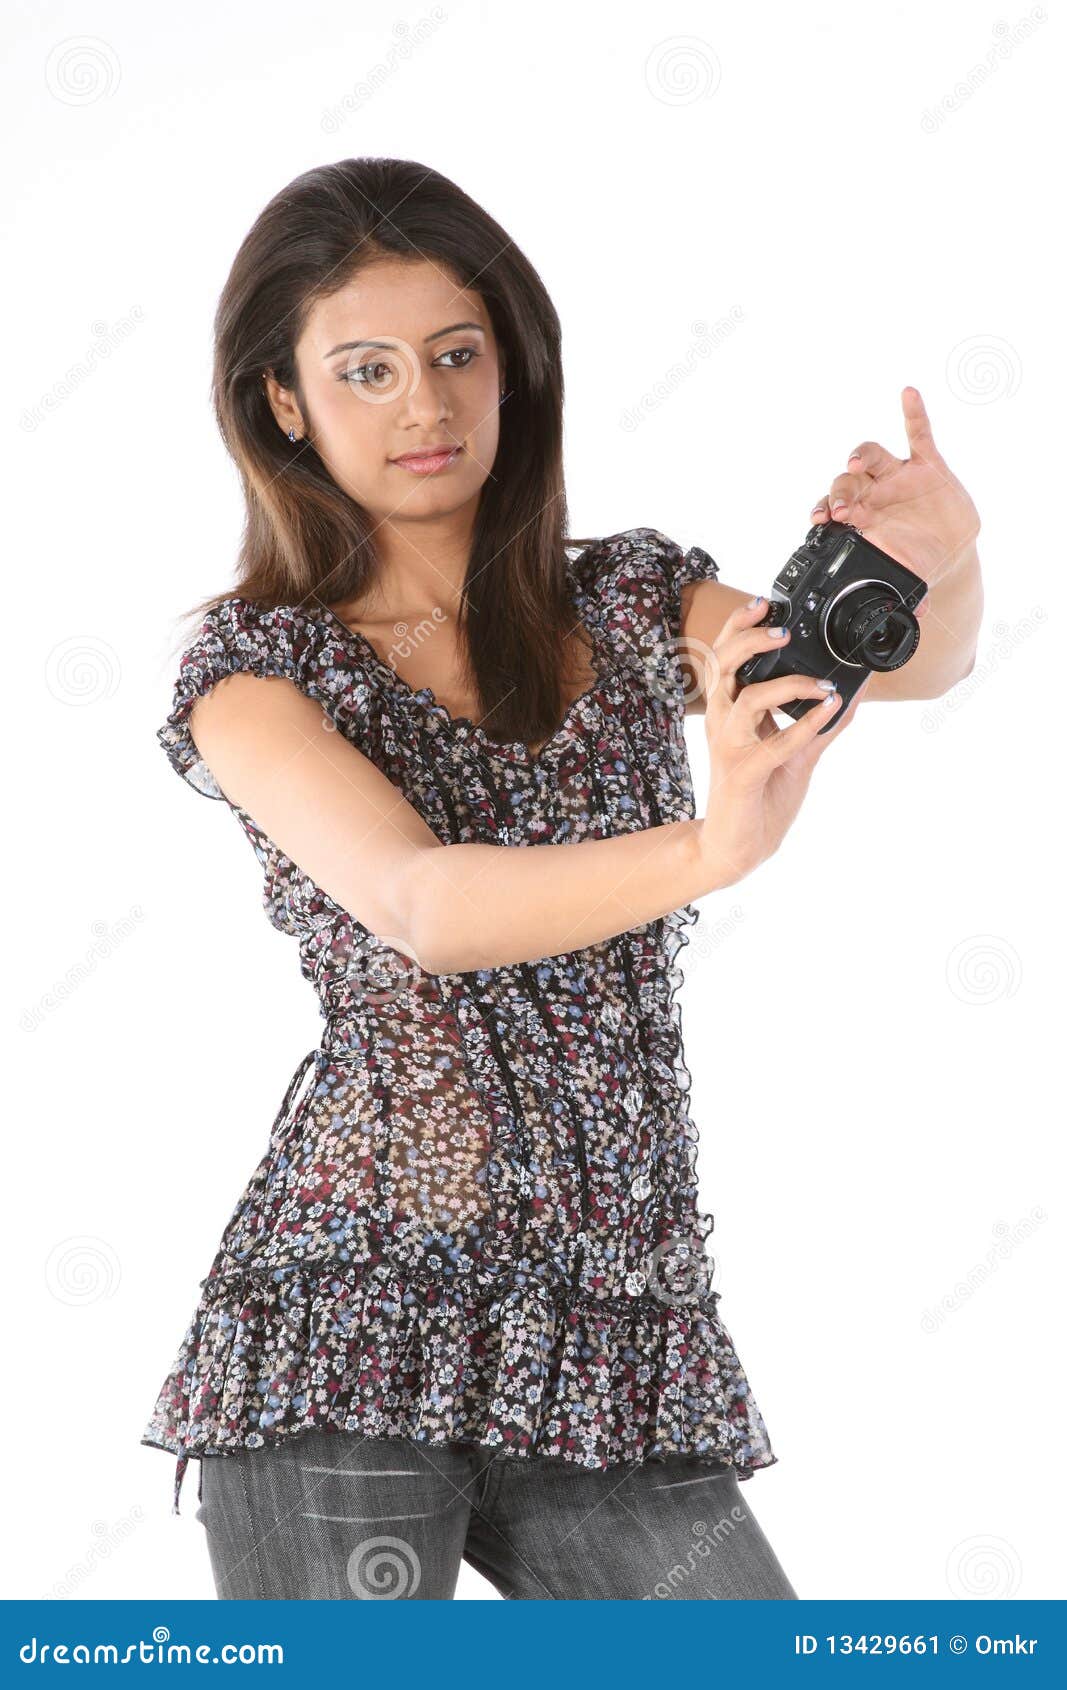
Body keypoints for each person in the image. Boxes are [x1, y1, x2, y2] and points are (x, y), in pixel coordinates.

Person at [143, 157, 983, 1600]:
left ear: (514, 369)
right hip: (357, 1314)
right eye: (369, 369)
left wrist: (938, 558)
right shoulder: (255, 672)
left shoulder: (626, 601)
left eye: (459, 355)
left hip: (613, 1335)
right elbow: (423, 905)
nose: (427, 404)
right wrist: (711, 849)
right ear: (284, 401)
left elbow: (907, 668)